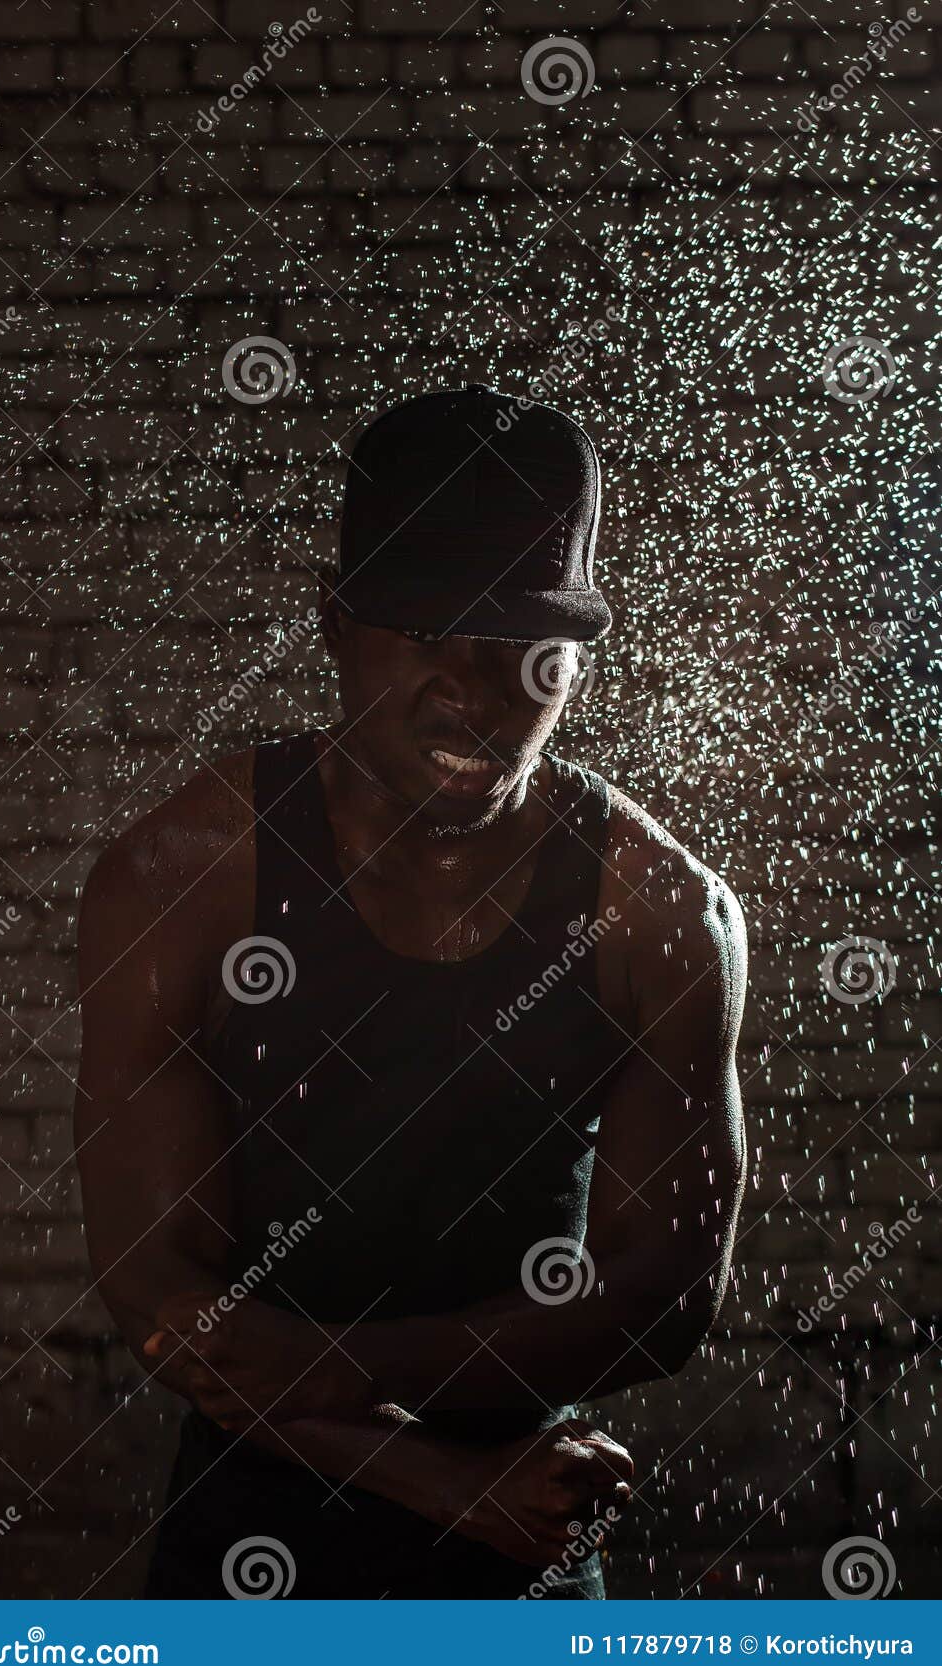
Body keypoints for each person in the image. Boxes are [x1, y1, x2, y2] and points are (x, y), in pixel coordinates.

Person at [74, 385, 747, 1599]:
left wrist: (335, 1366)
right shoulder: (181, 878)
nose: (477, 691)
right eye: (426, 629)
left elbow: (662, 1297)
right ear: (336, 624)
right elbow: (157, 1287)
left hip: (529, 1537)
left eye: (522, 644)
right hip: (253, 1548)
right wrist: (438, 1482)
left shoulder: (662, 912)